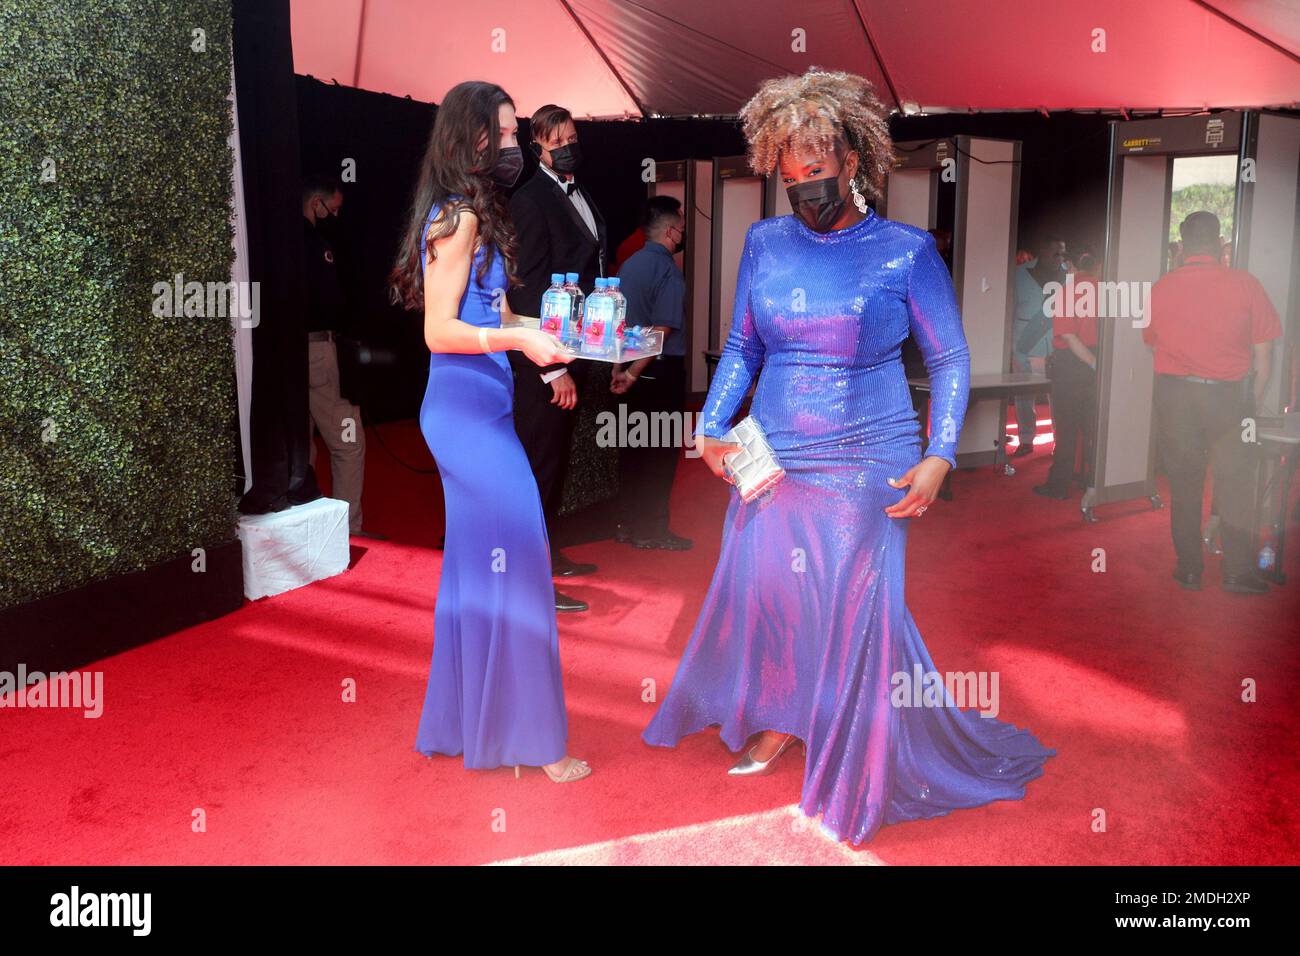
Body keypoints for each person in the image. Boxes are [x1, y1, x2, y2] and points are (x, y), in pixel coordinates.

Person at [642, 69, 1053, 845]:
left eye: (818, 175)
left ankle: (850, 744)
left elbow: (953, 359)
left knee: (853, 597)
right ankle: (780, 717)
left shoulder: (905, 252)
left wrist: (940, 455)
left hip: (869, 451)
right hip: (775, 449)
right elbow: (741, 345)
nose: (804, 191)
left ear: (853, 163)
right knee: (772, 590)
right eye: (791, 179)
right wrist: (710, 424)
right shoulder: (765, 243)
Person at [389, 80, 589, 783]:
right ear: (470, 137)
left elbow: (493, 315)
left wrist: (556, 336)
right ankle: (535, 741)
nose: (514, 147)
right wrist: (522, 343)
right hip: (465, 415)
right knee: (524, 561)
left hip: (486, 407)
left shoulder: (474, 212)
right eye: (505, 135)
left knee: (481, 568)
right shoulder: (458, 218)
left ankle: (479, 725)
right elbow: (439, 330)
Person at [1144, 211, 1281, 595]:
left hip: (1175, 396)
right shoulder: (1245, 284)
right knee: (1236, 485)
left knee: (1185, 483)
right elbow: (1264, 358)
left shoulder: (1162, 287)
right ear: (1221, 243)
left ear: (1183, 245)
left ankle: (1188, 568)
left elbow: (1151, 340)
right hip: (1229, 398)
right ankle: (1238, 572)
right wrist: (1248, 404)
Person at [507, 103, 608, 612]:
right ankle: (529, 579)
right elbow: (524, 292)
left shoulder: (579, 191)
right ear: (537, 147)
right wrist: (553, 367)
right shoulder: (529, 200)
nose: (569, 145)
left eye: (572, 136)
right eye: (557, 140)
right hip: (544, 362)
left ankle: (547, 552)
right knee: (538, 465)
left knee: (556, 462)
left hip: (579, 348)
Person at [611, 195, 692, 550]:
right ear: (672, 231)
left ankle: (628, 524)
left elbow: (618, 325)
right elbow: (661, 333)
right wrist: (632, 373)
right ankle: (652, 530)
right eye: (683, 228)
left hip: (630, 370)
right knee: (659, 455)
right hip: (657, 374)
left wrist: (621, 370)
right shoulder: (669, 273)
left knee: (632, 451)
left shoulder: (628, 266)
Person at [302, 173, 377, 537]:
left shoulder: (272, 238)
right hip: (319, 351)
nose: (335, 214)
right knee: (348, 444)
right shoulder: (314, 243)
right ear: (317, 202)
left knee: (301, 447)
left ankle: (304, 528)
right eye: (333, 207)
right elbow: (331, 301)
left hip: (285, 355)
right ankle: (348, 533)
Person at [1034, 251, 1100, 499]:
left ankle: (1059, 485)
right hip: (1095, 362)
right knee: (1092, 427)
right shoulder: (1107, 292)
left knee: (1066, 428)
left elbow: (1069, 337)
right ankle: (1091, 481)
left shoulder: (1066, 292)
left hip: (1072, 365)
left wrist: (1092, 363)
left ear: (1072, 265)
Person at [1011, 234, 1067, 457]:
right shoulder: (1020, 275)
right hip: (1024, 346)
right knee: (1024, 394)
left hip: (1058, 345)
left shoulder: (1069, 276)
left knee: (1059, 394)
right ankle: (1026, 439)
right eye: (1056, 253)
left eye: (1063, 252)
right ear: (1042, 252)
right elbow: (1009, 309)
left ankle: (1059, 441)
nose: (1060, 258)